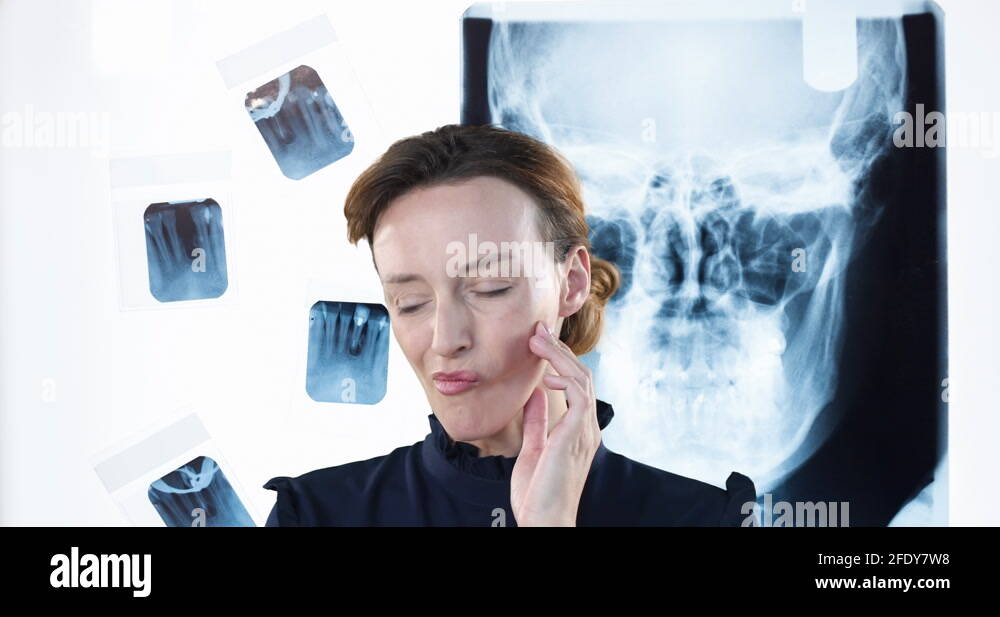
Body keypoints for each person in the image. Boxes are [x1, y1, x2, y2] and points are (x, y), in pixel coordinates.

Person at [263, 124, 757, 526]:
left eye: (490, 288)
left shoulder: (703, 519)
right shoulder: (316, 515)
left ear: (571, 283)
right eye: (411, 302)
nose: (445, 340)